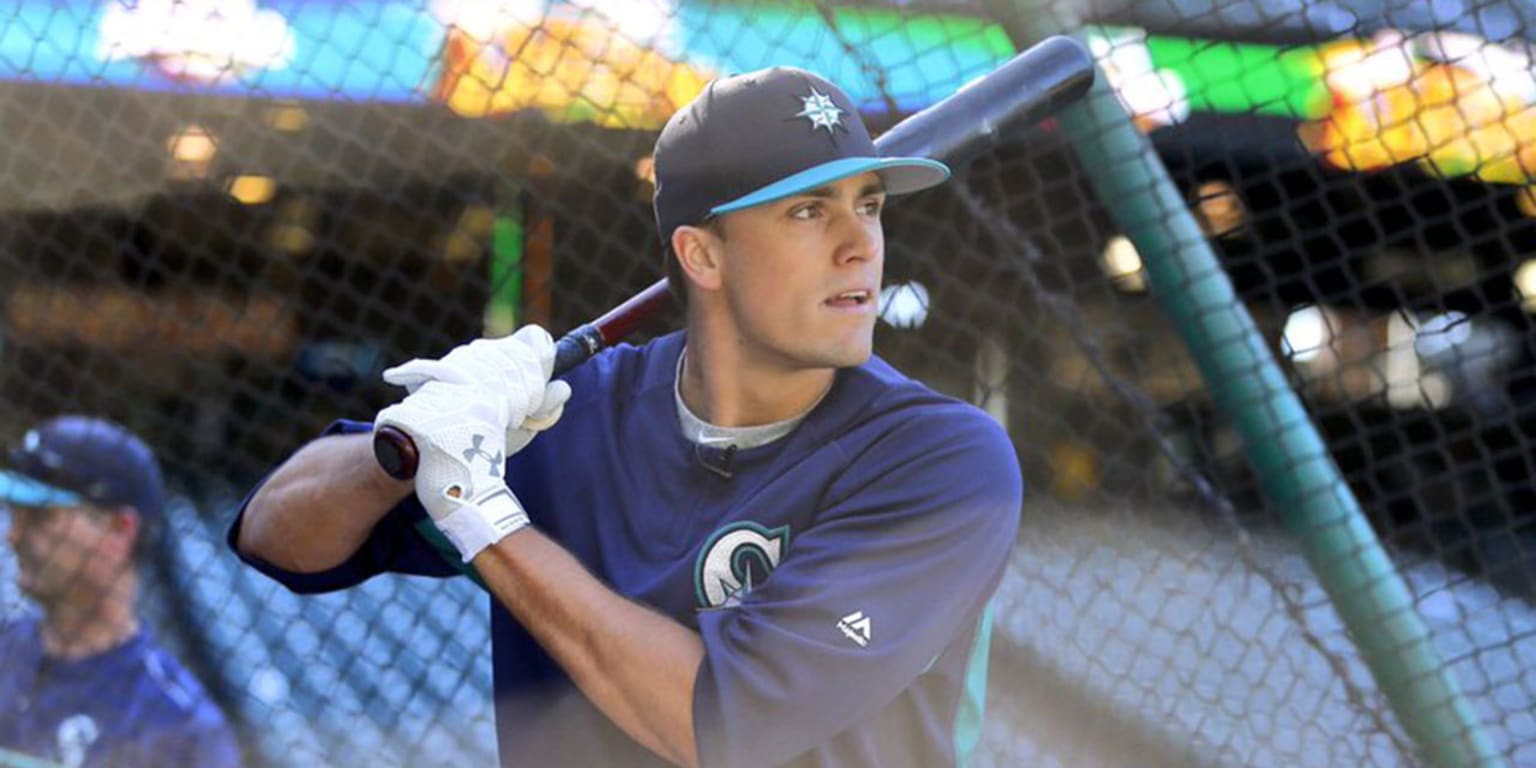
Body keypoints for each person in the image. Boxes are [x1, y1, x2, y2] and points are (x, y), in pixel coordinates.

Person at [232, 66, 1023, 768]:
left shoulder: (943, 462)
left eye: (871, 204)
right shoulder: (571, 412)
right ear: (702, 255)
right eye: (809, 213)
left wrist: (481, 515)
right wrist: (410, 444)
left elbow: (721, 724)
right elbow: (276, 535)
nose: (862, 246)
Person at [0, 415, 242, 768]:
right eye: (13, 514)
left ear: (119, 529)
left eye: (40, 517)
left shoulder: (178, 724)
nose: (13, 536)